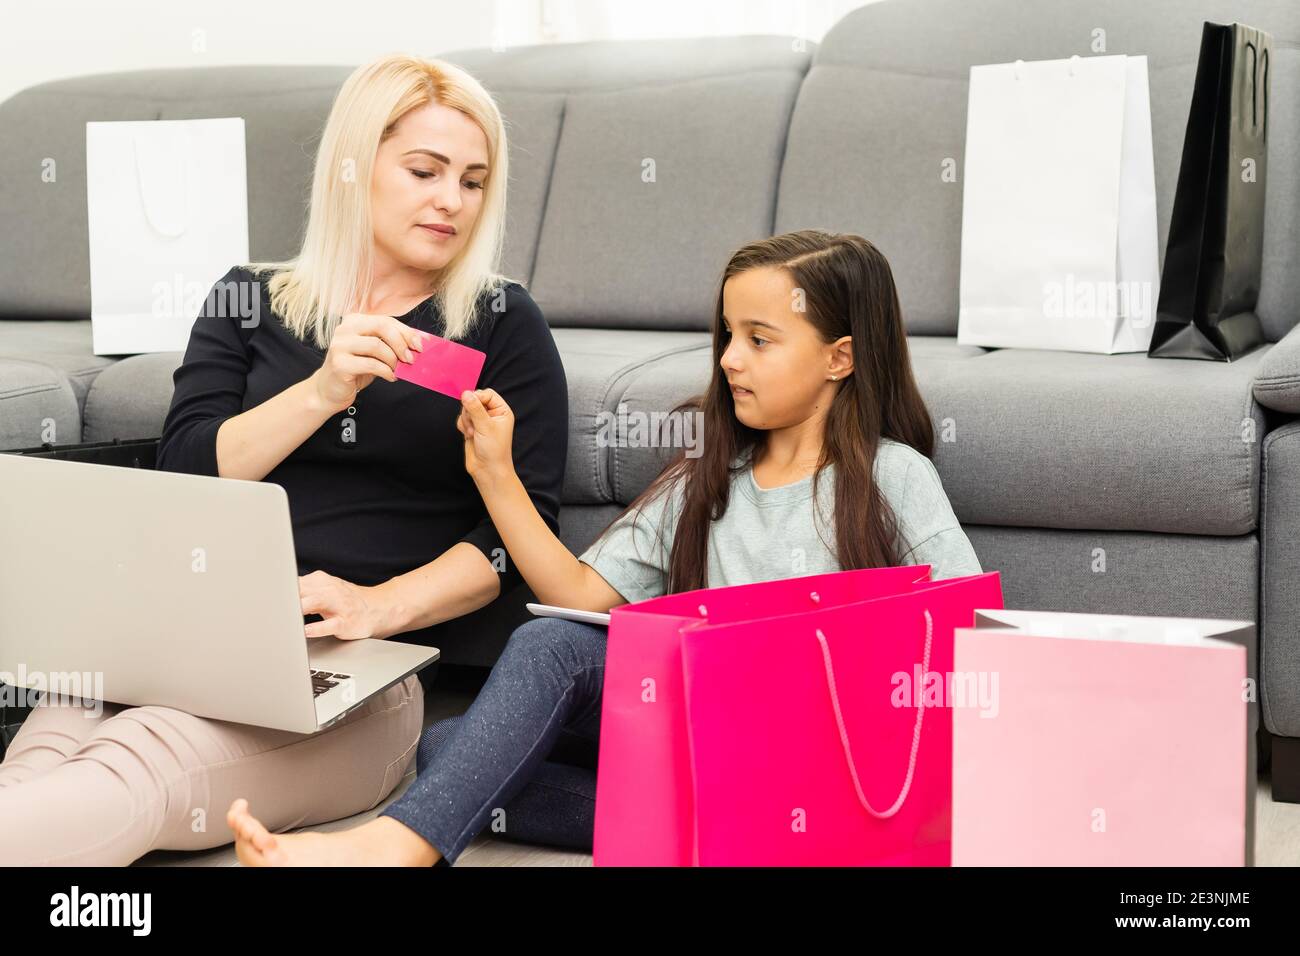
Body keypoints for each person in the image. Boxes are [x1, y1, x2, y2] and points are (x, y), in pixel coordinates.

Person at [227, 228, 982, 866]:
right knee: (459, 739)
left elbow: (965, 634)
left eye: (759, 341)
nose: (729, 360)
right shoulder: (709, 478)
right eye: (728, 337)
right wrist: (495, 473)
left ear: (839, 359)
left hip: (824, 757)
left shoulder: (893, 475)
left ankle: (391, 848)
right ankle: (730, 833)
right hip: (709, 746)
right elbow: (582, 595)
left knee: (486, 743)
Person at [0, 53, 567, 866]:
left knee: (138, 762)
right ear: (353, 167)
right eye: (424, 170)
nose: (451, 200)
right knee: (49, 744)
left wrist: (378, 606)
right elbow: (188, 473)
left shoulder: (502, 321)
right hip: (191, 634)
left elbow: (515, 541)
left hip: (360, 676)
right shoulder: (248, 298)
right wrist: (324, 390)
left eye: (473, 181)